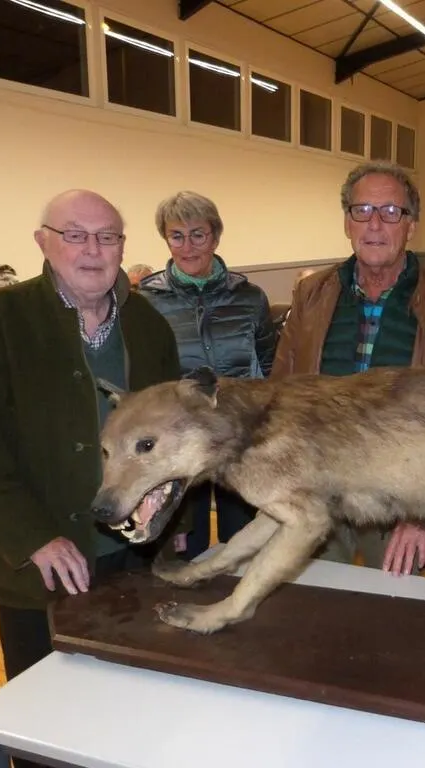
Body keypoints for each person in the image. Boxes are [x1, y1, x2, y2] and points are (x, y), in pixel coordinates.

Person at [0, 190, 181, 764]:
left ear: (123, 246)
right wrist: (32, 538)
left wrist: (166, 501)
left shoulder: (149, 326)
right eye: (75, 234)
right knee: (43, 720)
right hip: (40, 564)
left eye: (107, 236)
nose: (92, 249)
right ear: (43, 242)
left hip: (128, 559)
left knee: (125, 705)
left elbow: (179, 436)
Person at [270, 161, 425, 576]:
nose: (374, 225)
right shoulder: (311, 295)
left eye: (390, 212)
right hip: (319, 491)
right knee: (312, 608)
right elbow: (281, 396)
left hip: (401, 499)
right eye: (361, 211)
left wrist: (421, 516)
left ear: (411, 225)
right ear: (347, 222)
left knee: (390, 621)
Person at [139, 191, 276, 561]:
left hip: (240, 436)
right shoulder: (146, 301)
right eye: (176, 235)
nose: (187, 246)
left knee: (246, 541)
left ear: (215, 237)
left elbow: (270, 364)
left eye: (197, 234)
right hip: (180, 442)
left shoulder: (249, 298)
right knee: (186, 544)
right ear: (165, 239)